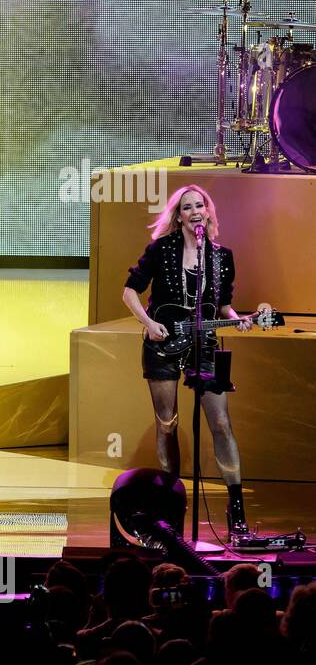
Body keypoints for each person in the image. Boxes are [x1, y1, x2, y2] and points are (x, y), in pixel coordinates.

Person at [121, 184, 251, 532]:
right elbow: (130, 290)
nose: (195, 211)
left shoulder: (222, 257)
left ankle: (236, 508)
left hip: (204, 342)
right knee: (168, 423)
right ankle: (170, 505)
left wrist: (238, 320)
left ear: (208, 212)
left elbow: (223, 306)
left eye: (200, 205)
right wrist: (148, 324)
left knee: (221, 423)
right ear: (178, 216)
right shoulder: (161, 250)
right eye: (187, 207)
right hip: (162, 342)